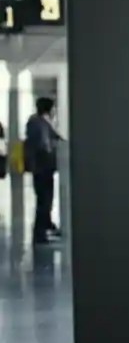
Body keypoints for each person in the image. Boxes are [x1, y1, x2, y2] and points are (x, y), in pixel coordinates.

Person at [25, 97, 64, 244]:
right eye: (54, 108)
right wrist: (54, 148)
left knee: (46, 199)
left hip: (45, 168)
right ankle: (40, 234)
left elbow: (55, 137)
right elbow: (44, 145)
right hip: (42, 168)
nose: (55, 111)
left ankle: (47, 225)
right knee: (44, 200)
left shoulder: (41, 122)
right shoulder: (37, 123)